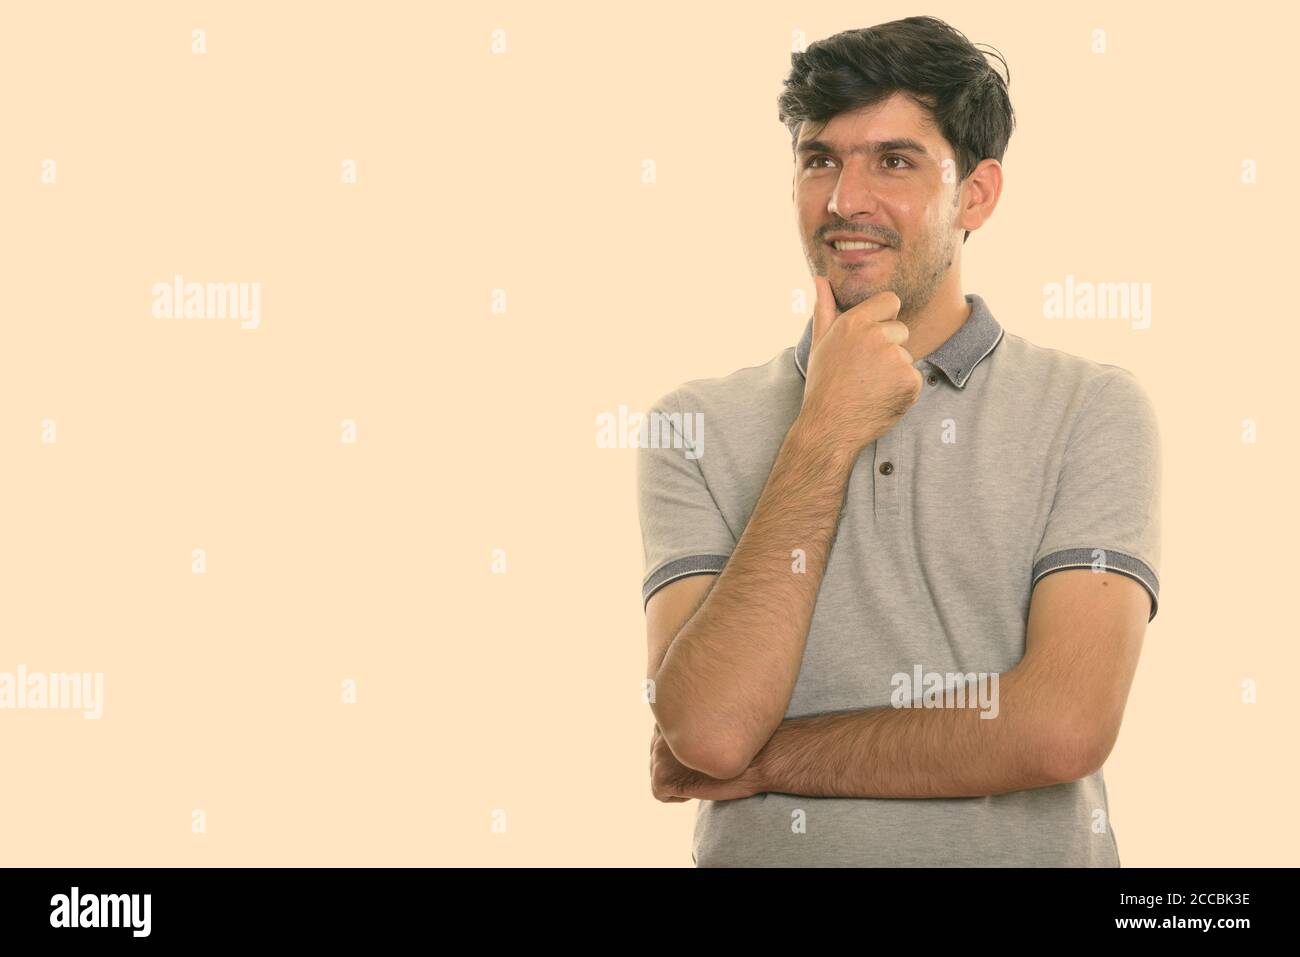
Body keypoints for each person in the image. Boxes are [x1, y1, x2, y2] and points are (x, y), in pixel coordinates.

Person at [637, 16, 1161, 867]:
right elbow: (708, 725)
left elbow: (1063, 727)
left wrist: (774, 758)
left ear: (977, 195)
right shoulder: (691, 425)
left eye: (893, 160)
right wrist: (825, 428)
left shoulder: (1092, 408)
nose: (846, 200)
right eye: (819, 159)